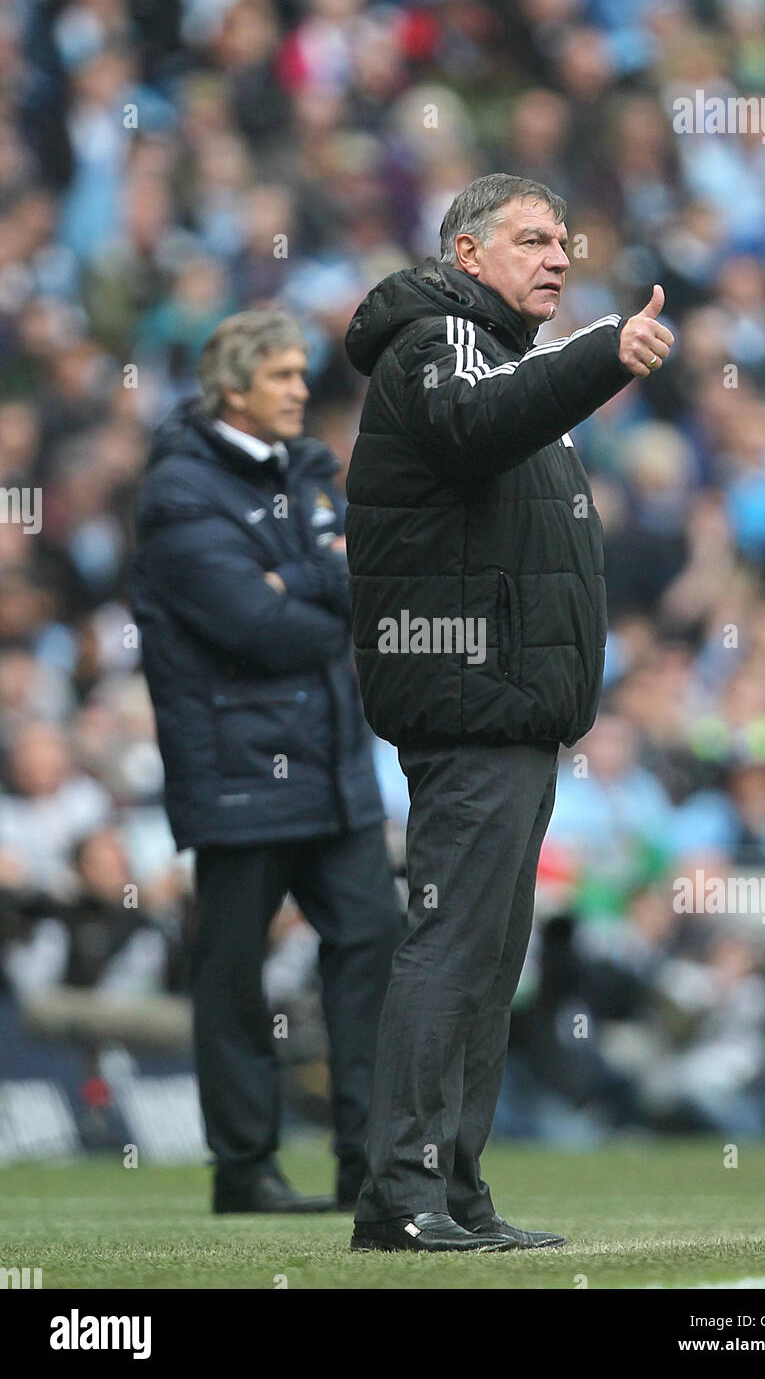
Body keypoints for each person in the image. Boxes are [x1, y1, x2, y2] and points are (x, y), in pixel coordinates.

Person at [344, 173, 673, 1252]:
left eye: (565, 241)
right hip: (465, 701)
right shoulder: (432, 341)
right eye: (531, 239)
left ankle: (455, 1191)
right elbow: (472, 429)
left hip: (509, 708)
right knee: (451, 951)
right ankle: (402, 1196)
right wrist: (595, 355)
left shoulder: (498, 355)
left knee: (486, 961)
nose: (558, 256)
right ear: (465, 252)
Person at [130, 309, 403, 1213]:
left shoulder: (313, 472)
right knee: (234, 972)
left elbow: (359, 582)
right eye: (282, 376)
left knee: (371, 943)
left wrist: (303, 581)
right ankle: (244, 1170)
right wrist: (315, 583)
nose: (298, 390)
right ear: (233, 387)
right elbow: (251, 625)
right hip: (238, 771)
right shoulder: (180, 490)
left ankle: (372, 1165)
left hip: (335, 763)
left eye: (300, 374)